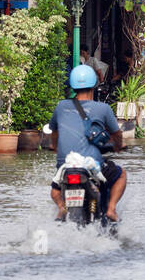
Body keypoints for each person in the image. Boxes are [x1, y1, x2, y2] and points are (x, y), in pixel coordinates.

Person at [48, 64, 126, 223]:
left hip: (65, 166)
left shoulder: (61, 106)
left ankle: (61, 207)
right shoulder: (103, 108)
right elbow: (117, 134)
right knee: (121, 174)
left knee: (55, 190)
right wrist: (118, 146)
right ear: (94, 86)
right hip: (91, 165)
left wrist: (55, 147)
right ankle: (111, 209)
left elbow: (54, 133)